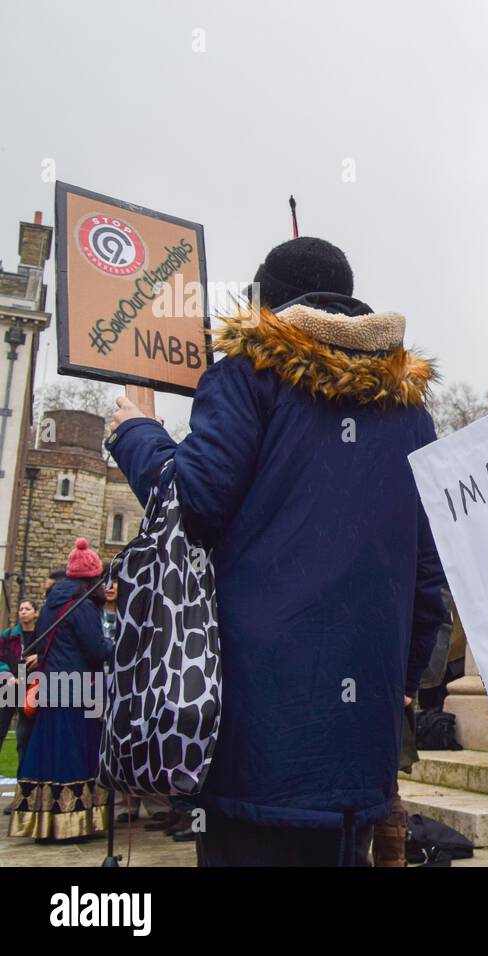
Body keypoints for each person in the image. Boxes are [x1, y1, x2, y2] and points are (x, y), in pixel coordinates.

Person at [107, 236, 449, 867]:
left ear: (263, 305)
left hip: (254, 745)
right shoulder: (413, 414)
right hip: (357, 759)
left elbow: (194, 503)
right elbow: (430, 585)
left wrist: (135, 435)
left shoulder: (248, 372)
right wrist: (394, 689)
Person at [8, 540, 112, 841]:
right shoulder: (83, 604)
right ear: (92, 577)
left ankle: (44, 823)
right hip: (78, 690)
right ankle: (73, 825)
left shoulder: (52, 604)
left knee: (46, 754)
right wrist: (115, 645)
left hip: (52, 686)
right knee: (74, 755)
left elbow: (41, 646)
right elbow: (94, 650)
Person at [0, 600, 37, 756]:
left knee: (25, 735)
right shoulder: (7, 635)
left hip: (31, 687)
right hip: (8, 686)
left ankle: (25, 776)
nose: (23, 611)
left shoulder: (41, 635)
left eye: (27, 609)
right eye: (21, 609)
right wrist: (7, 674)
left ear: (36, 613)